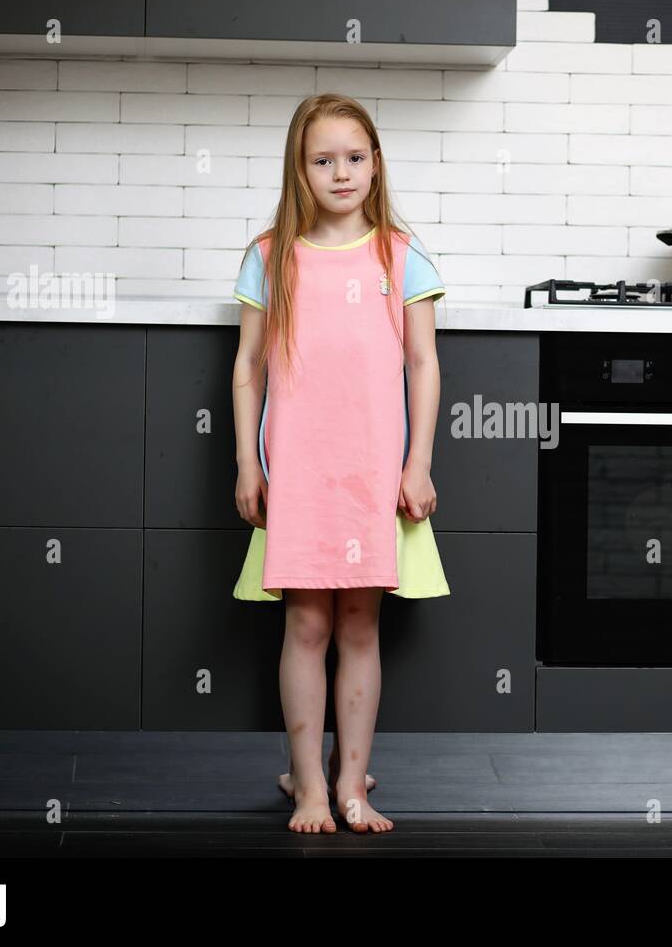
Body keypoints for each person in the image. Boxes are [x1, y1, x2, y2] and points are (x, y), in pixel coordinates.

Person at [230, 93, 446, 834]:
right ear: (300, 169)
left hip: (372, 477)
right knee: (306, 626)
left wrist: (418, 463)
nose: (341, 172)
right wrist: (246, 464)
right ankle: (309, 788)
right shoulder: (268, 255)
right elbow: (247, 368)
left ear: (376, 162)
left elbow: (424, 363)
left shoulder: (401, 254)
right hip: (300, 476)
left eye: (355, 157)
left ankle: (352, 782)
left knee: (360, 627)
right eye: (323, 160)